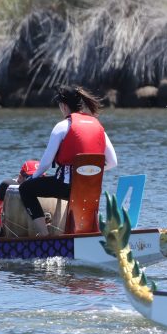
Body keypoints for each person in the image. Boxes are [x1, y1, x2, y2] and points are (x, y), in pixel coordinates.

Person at [20, 85, 118, 237]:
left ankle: (45, 236)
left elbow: (46, 163)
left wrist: (33, 177)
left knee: (26, 189)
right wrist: (89, 171)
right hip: (91, 189)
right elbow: (113, 162)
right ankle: (91, 234)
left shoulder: (62, 126)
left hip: (65, 186)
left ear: (63, 106)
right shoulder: (98, 127)